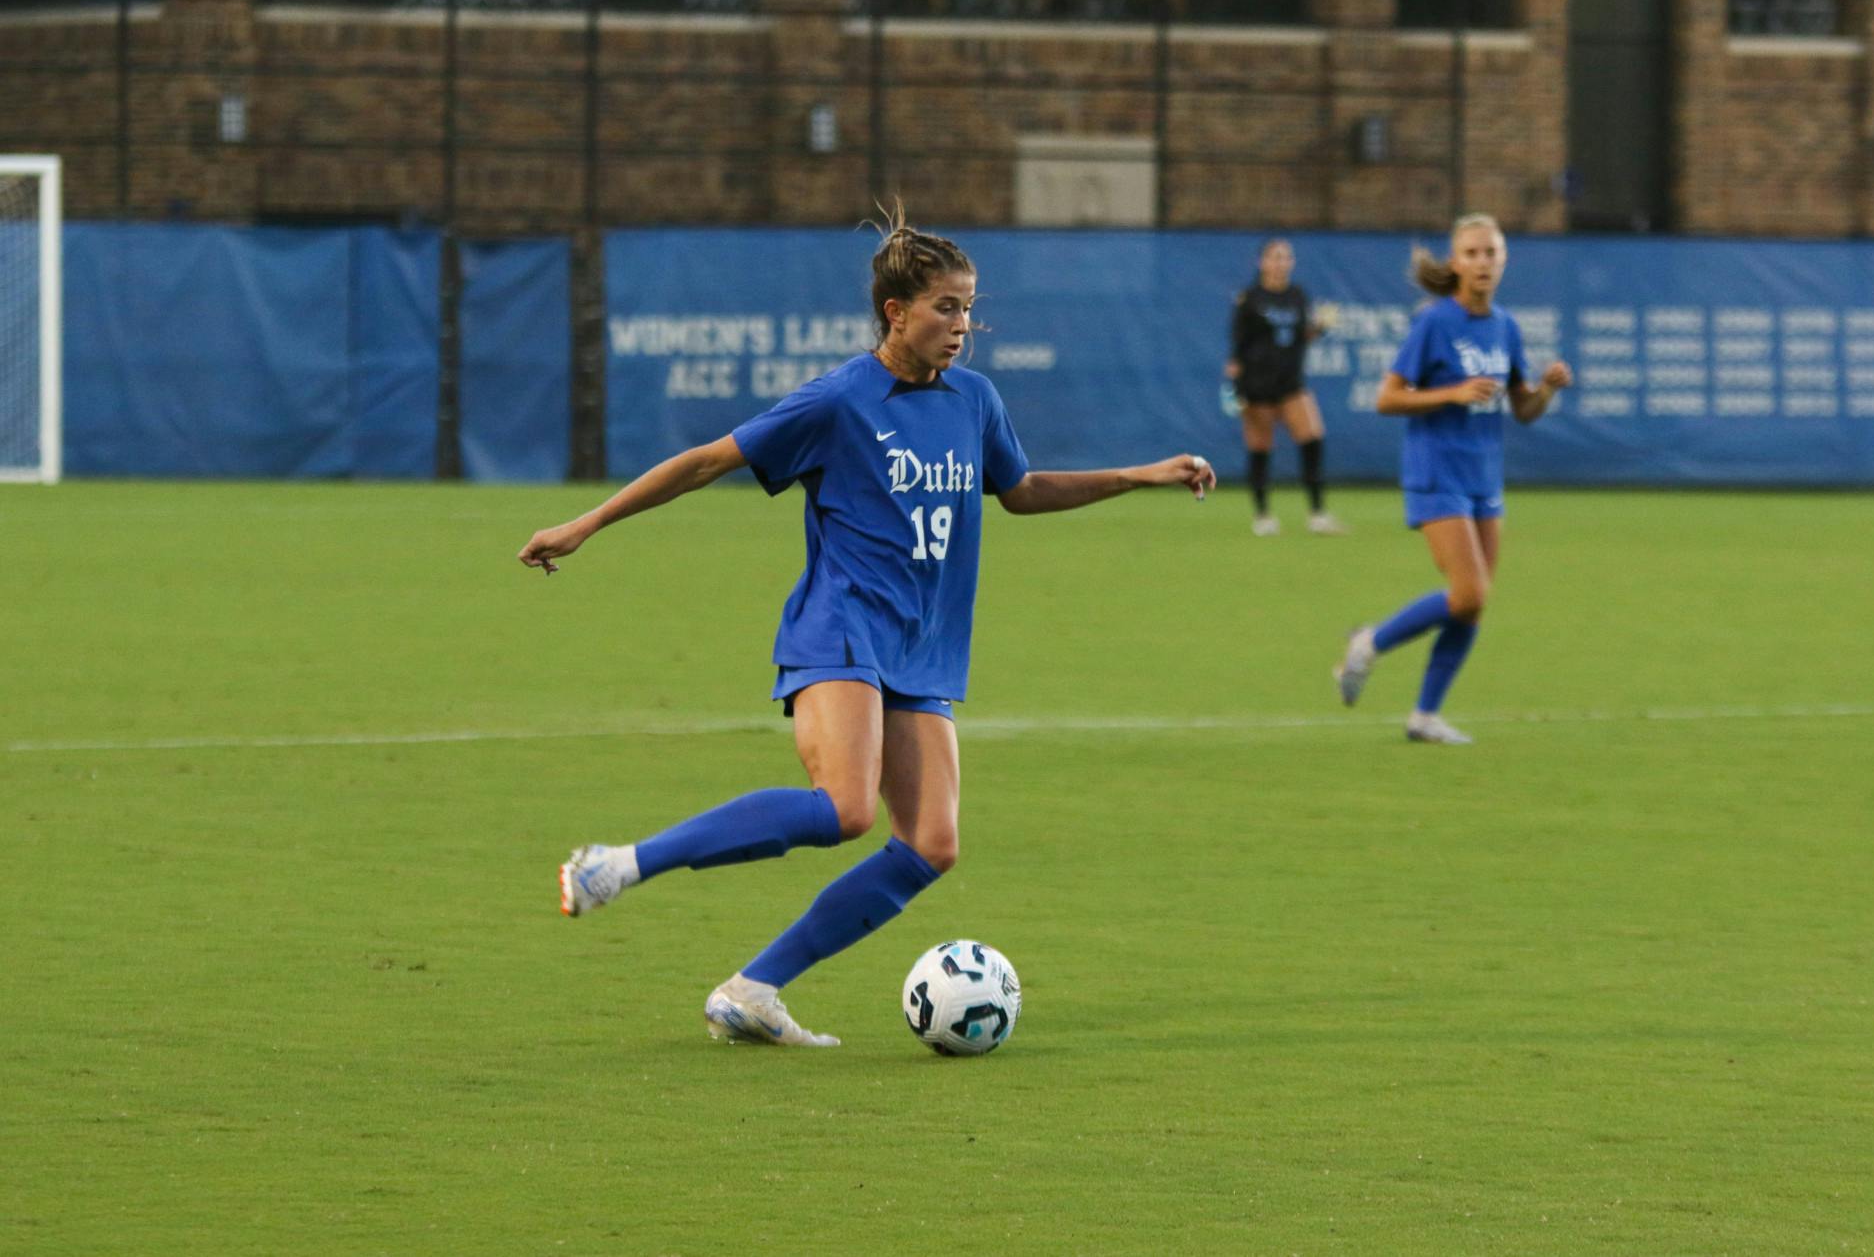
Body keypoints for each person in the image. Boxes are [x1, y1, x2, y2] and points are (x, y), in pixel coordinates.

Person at [517, 206, 1216, 1047]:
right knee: (845, 810)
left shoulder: (974, 400)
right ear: (896, 312)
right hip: (842, 626)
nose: (962, 325)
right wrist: (587, 523)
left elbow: (1021, 490)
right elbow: (707, 461)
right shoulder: (841, 399)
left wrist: (1139, 475)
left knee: (932, 844)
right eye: (946, 307)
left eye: (968, 308)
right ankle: (618, 865)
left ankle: (753, 988)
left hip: (922, 644)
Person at [1334, 214, 1571, 744]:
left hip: (1484, 476)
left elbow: (1524, 410)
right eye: (1471, 253)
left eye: (1491, 252)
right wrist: (1452, 393)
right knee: (1467, 594)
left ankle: (1424, 716)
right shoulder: (1435, 322)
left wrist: (1547, 389)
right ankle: (1368, 644)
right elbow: (1387, 398)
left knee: (1475, 601)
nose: (1482, 262)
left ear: (1504, 260)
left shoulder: (1506, 327)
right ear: (1455, 263)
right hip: (1436, 470)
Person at [1225, 237, 1346, 537]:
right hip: (1257, 384)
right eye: (1274, 257)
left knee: (1312, 439)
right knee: (1260, 448)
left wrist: (1320, 328)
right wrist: (1237, 389)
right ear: (1262, 262)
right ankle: (1263, 515)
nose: (1280, 263)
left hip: (1291, 382)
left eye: (1285, 257)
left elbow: (1300, 336)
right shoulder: (1250, 299)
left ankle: (1317, 514)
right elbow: (1237, 350)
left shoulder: (1297, 295)